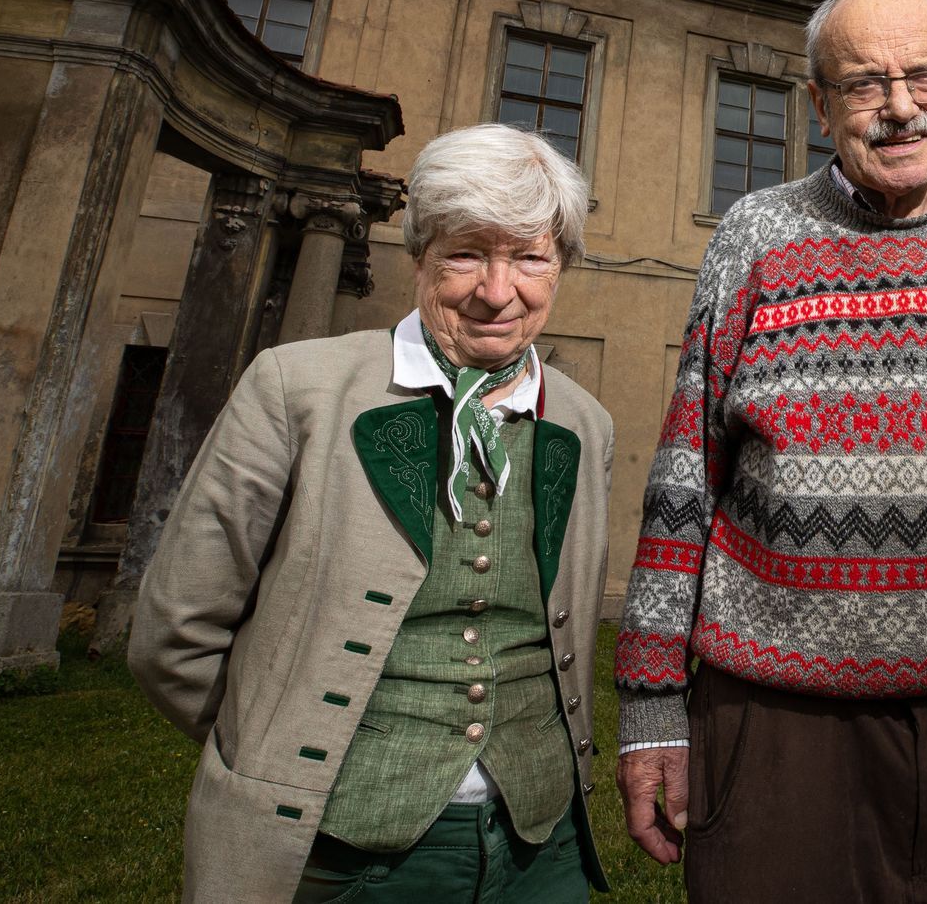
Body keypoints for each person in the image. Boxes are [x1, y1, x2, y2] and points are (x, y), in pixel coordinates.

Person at [614, 0, 927, 901]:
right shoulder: (756, 236)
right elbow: (684, 476)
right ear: (820, 104)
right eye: (867, 84)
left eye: (925, 77)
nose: (901, 109)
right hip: (782, 718)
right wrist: (650, 706)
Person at [130, 123, 612, 903]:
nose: (498, 291)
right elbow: (174, 631)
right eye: (465, 254)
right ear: (418, 255)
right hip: (344, 853)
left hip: (539, 847)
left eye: (529, 257)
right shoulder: (298, 388)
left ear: (560, 265)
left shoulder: (584, 424)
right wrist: (279, 749)